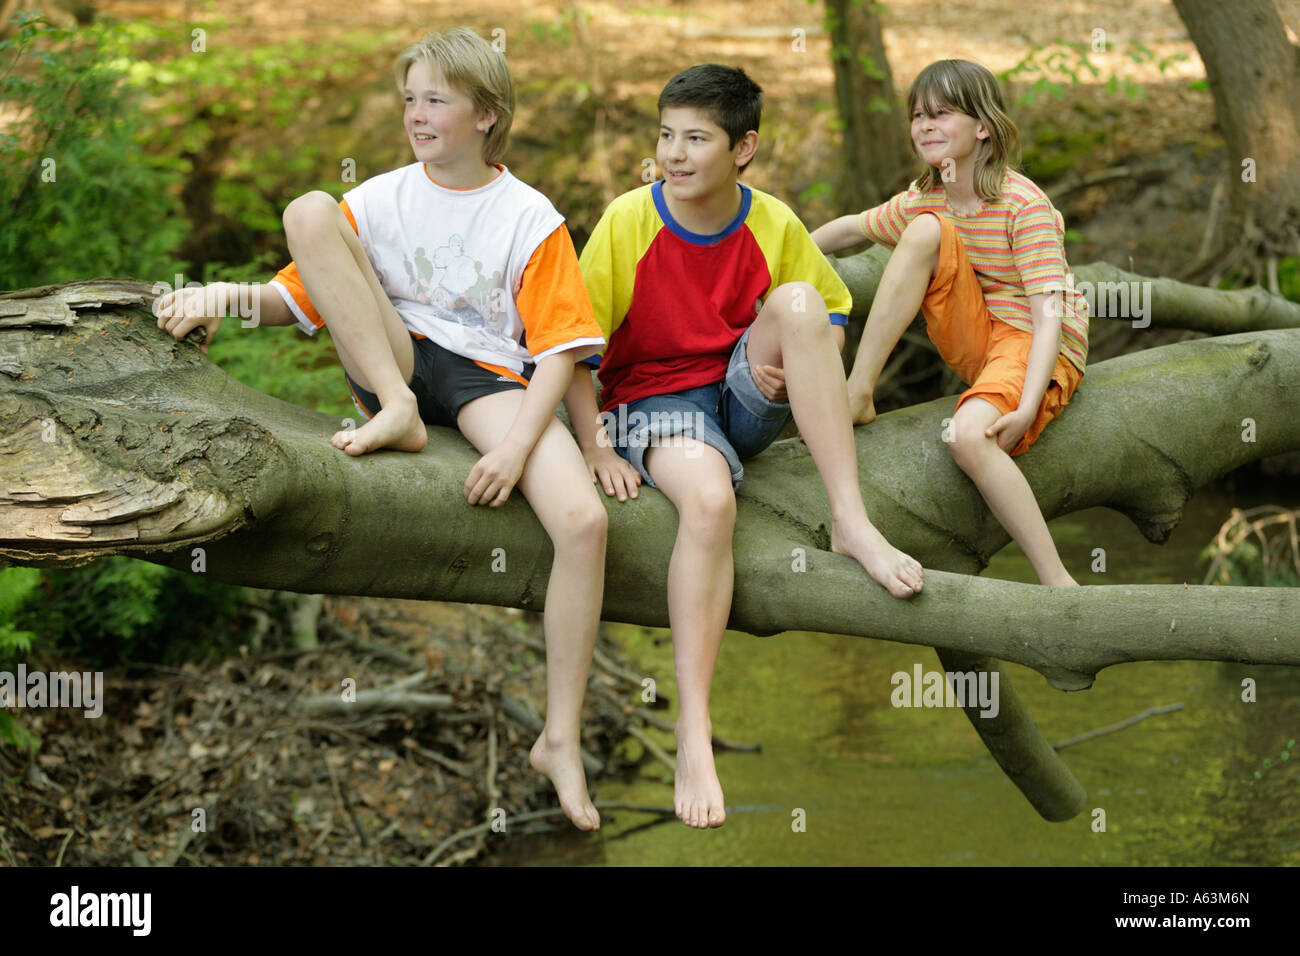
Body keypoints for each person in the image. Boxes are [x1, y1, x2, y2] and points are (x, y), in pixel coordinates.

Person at [155, 27, 630, 831]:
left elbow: (559, 350)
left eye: (435, 100)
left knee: (583, 521)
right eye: (409, 97)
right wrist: (216, 296)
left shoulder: (529, 216)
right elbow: (300, 298)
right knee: (308, 209)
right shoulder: (374, 199)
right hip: (394, 359)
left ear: (486, 115)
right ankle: (397, 410)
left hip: (487, 377)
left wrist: (519, 448)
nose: (416, 113)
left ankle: (558, 736)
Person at [569, 64, 925, 830]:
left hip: (739, 396)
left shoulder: (773, 223)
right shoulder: (629, 222)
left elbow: (829, 311)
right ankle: (694, 728)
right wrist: (595, 442)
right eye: (666, 135)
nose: (674, 152)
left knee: (797, 303)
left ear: (745, 148)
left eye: (696, 138)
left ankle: (850, 520)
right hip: (652, 403)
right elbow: (572, 346)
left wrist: (787, 364)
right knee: (707, 499)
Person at [811, 58, 1089, 587]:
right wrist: (767, 258)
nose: (925, 126)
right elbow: (852, 229)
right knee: (922, 232)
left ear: (982, 126)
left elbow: (1048, 311)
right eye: (918, 116)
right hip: (981, 336)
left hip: (1037, 337)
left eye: (942, 114)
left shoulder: (1021, 203)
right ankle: (859, 392)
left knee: (966, 437)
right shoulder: (929, 197)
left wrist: (1028, 404)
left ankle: (1059, 583)